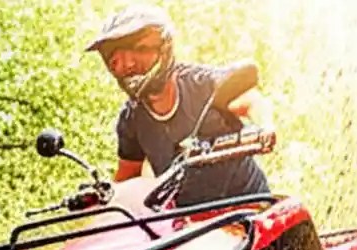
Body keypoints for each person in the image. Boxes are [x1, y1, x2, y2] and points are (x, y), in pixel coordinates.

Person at [85, 3, 276, 209]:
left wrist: (265, 127)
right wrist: (101, 199)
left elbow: (250, 102)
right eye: (116, 61)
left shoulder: (201, 84)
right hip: (189, 225)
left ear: (163, 47)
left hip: (248, 210)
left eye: (139, 51)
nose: (128, 65)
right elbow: (126, 179)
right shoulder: (132, 120)